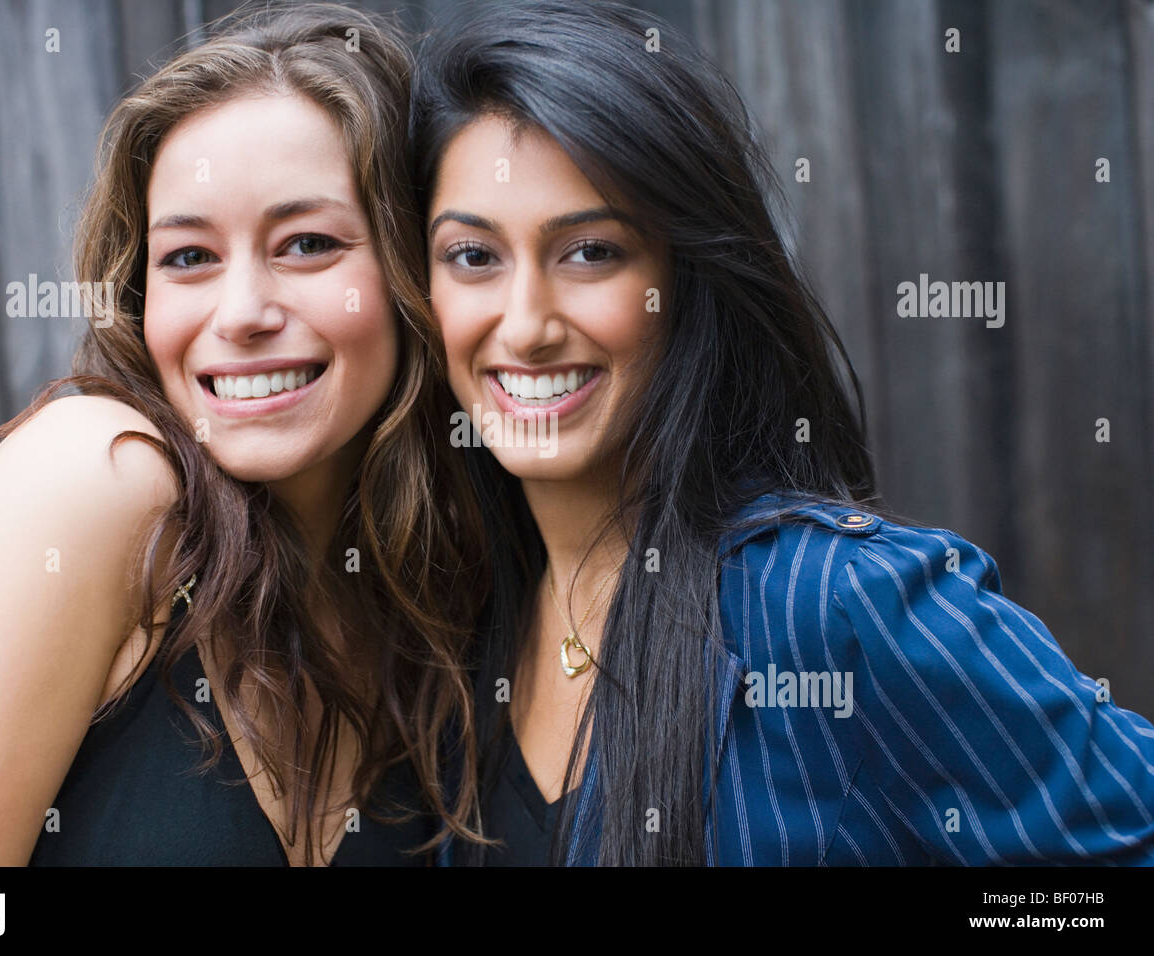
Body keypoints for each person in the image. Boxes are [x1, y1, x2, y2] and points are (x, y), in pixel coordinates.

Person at [411, 0, 1154, 865]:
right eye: (474, 257)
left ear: (685, 279)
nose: (528, 323)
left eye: (591, 252)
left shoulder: (836, 603)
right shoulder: (454, 629)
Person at [0, 2, 484, 866]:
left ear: (412, 263)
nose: (242, 314)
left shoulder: (429, 583)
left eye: (305, 244)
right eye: (190, 256)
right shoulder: (96, 483)